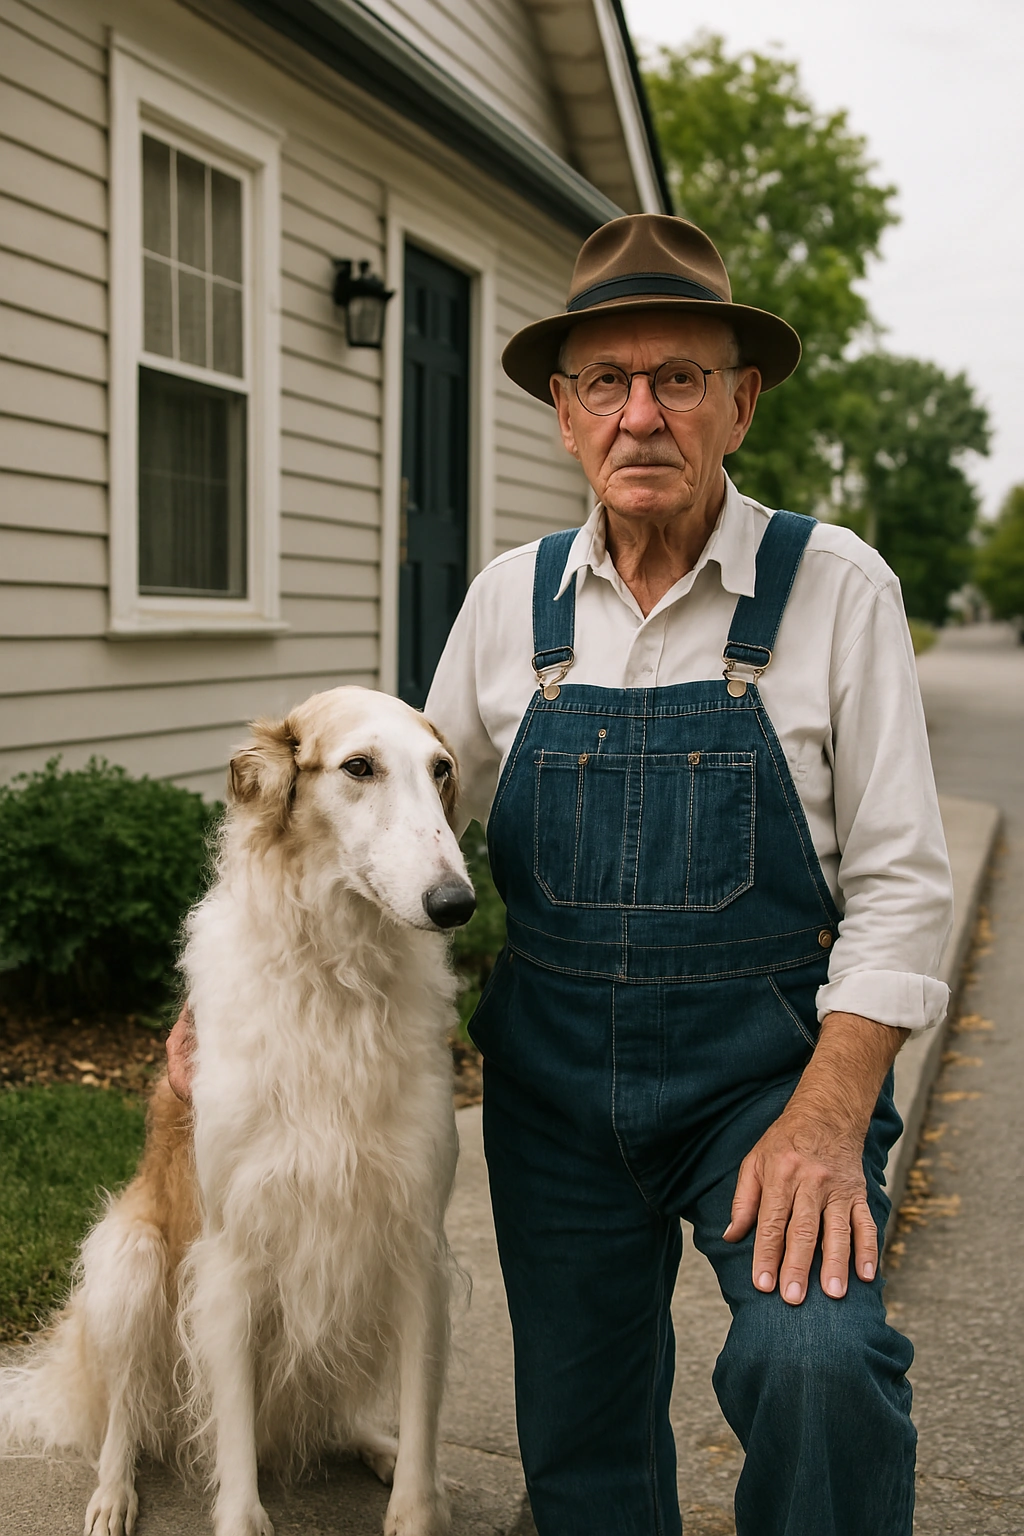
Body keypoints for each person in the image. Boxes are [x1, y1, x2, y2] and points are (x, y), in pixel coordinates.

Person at [168, 214, 952, 1536]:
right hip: (555, 1090)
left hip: (766, 1077)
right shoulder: (506, 604)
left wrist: (828, 1116)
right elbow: (388, 829)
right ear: (563, 413)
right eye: (608, 382)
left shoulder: (837, 592)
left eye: (680, 379)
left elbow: (906, 887)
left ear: (740, 405)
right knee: (582, 1447)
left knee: (817, 1366)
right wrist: (225, 998)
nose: (641, 414)